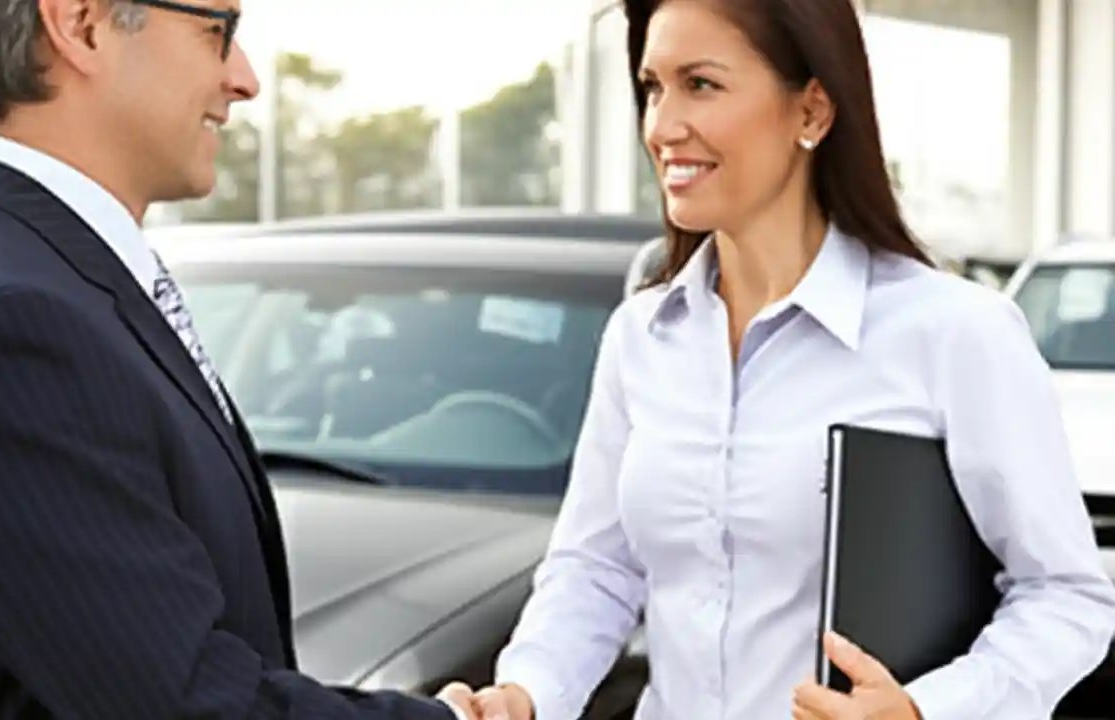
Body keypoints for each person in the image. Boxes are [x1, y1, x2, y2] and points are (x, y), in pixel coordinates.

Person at [446, 0, 1115, 718]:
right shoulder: (643, 334)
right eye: (652, 87)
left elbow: (1066, 597)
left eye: (700, 84)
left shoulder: (956, 332)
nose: (664, 125)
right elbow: (596, 570)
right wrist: (526, 693)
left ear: (813, 112)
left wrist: (925, 711)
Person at [0, 1, 476, 718]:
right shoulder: (11, 322)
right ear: (80, 24)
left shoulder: (3, 270)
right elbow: (181, 703)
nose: (244, 79)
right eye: (218, 30)